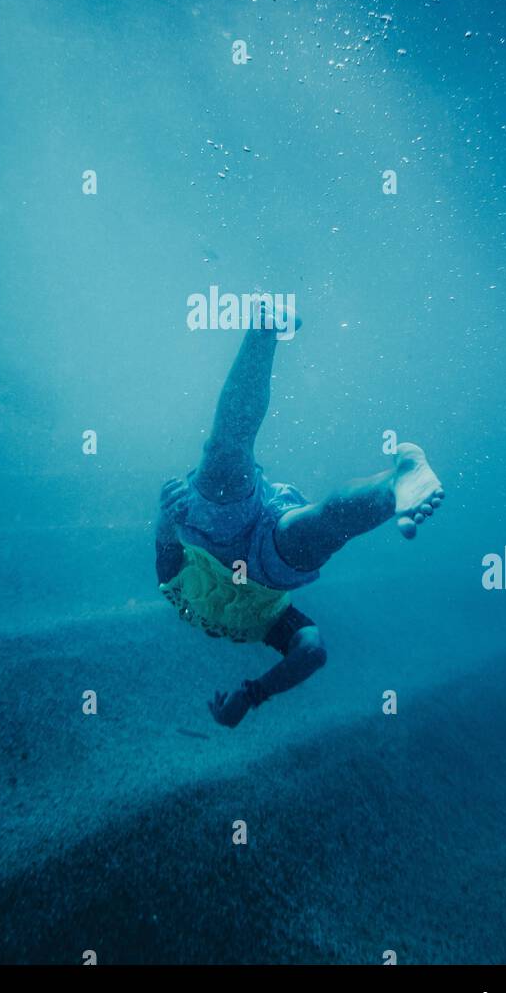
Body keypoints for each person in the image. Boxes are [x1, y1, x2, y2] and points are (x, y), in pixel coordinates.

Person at [155, 303, 444, 728]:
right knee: (319, 526)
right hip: (264, 568)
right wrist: (253, 693)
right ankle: (394, 483)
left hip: (217, 537)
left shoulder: (174, 589)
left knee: (226, 454)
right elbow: (312, 649)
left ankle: (265, 329)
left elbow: (164, 544)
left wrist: (168, 510)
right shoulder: (264, 628)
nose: (213, 629)